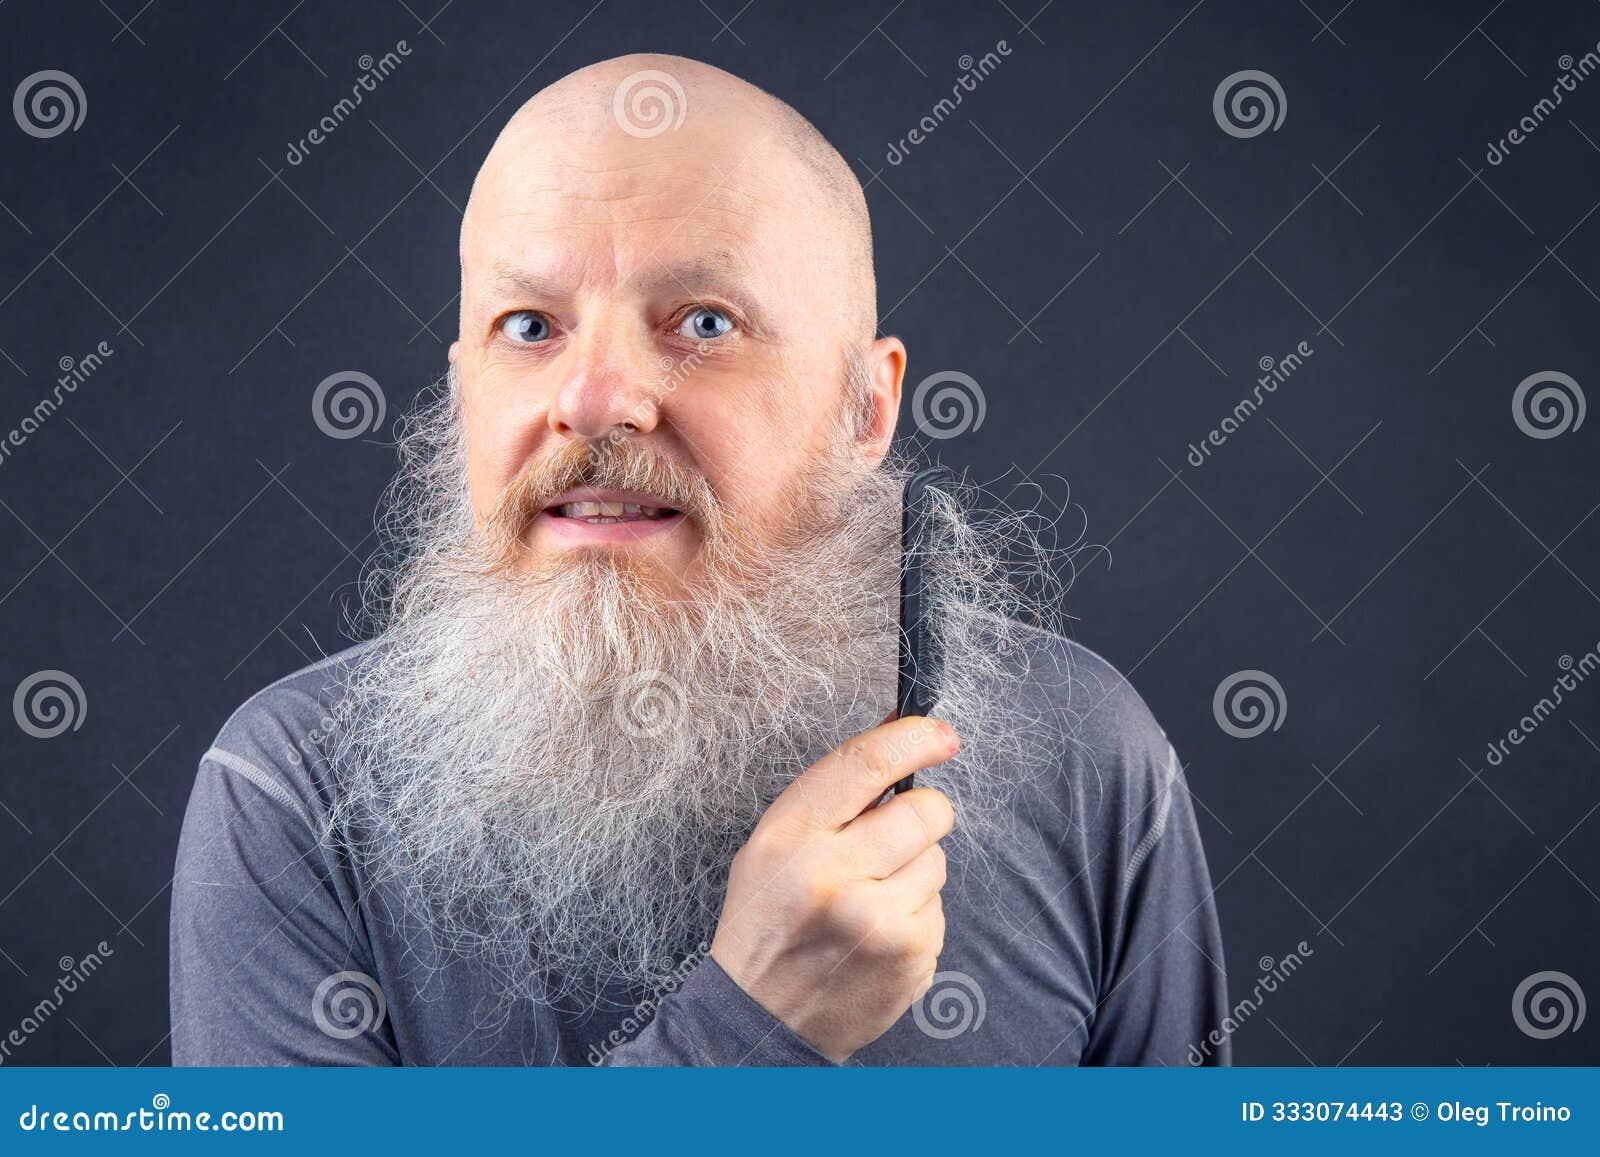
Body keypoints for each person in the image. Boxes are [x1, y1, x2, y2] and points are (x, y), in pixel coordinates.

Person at [169, 53, 1228, 1066]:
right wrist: (755, 1028)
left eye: (703, 321)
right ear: (461, 388)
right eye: (529, 324)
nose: (590, 398)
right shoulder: (292, 794)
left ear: (866, 408)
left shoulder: (1089, 757)